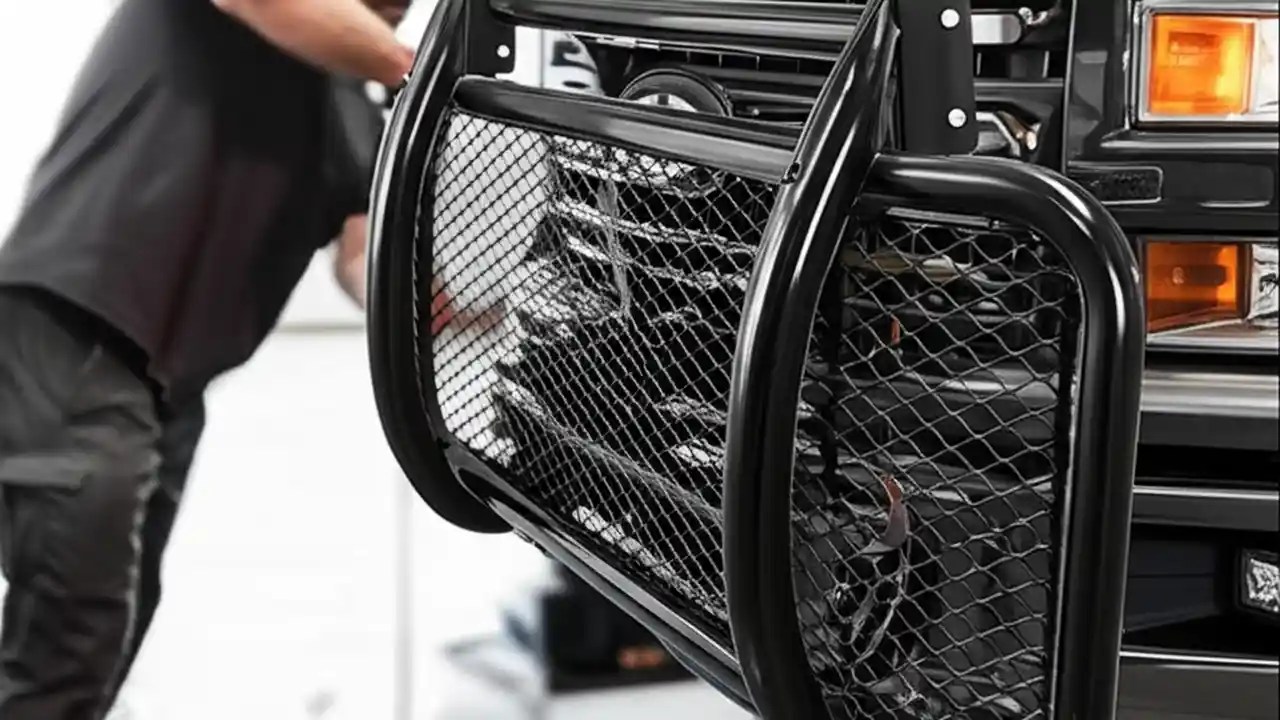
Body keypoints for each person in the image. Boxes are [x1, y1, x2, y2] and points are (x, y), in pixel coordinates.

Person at [0, 1, 417, 717]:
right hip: (75, 332)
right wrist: (420, 73)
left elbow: (362, 257)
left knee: (113, 630)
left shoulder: (359, 110)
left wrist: (447, 298)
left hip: (169, 386)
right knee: (73, 640)